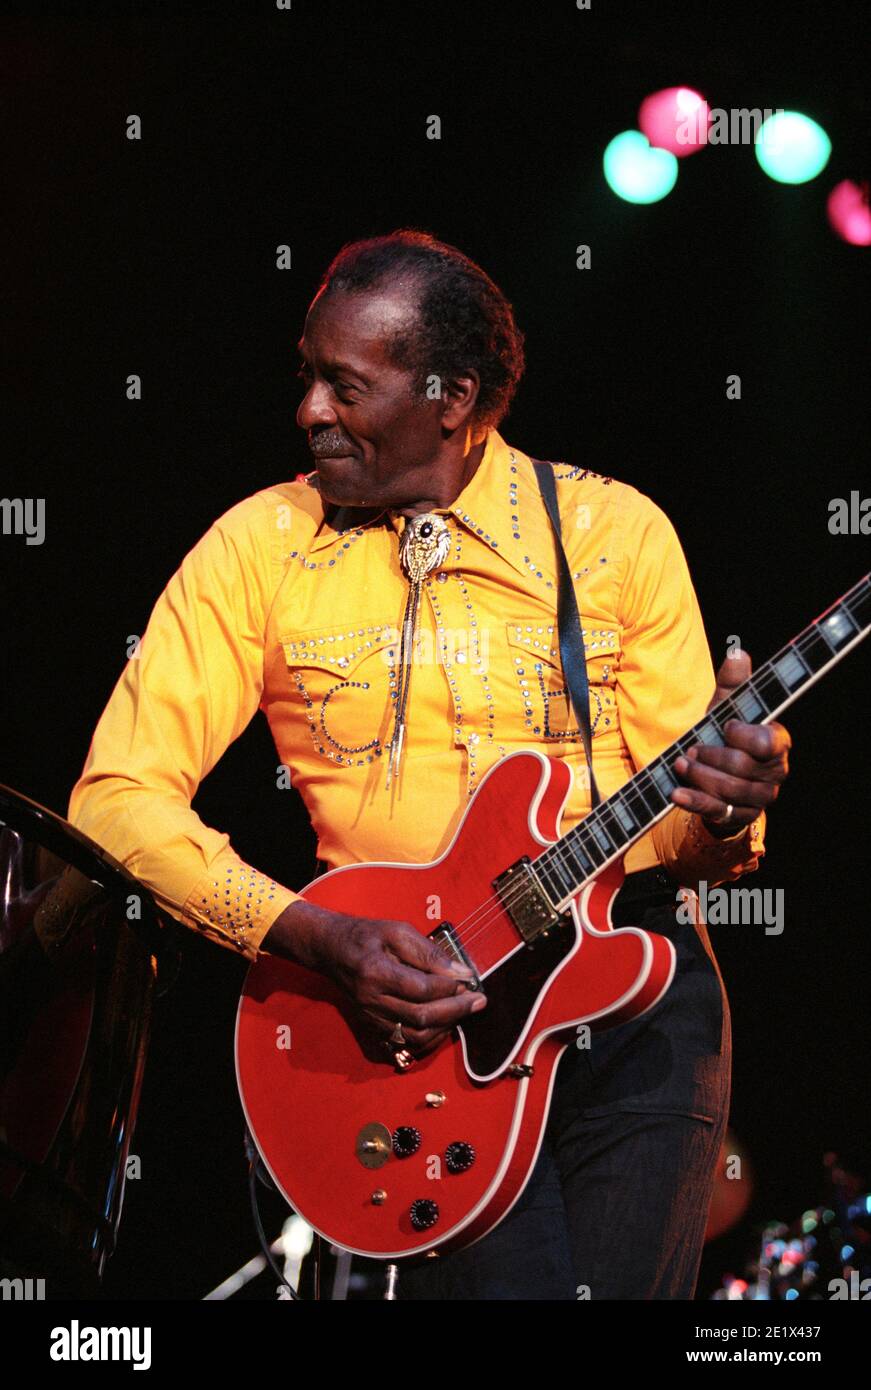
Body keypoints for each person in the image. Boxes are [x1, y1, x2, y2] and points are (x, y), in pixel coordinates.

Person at [67, 229, 790, 1300]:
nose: (308, 410)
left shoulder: (611, 532)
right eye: (306, 375)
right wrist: (311, 933)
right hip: (415, 1026)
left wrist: (725, 808)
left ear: (451, 397)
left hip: (630, 996)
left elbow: (686, 838)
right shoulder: (257, 547)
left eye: (343, 384)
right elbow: (116, 797)